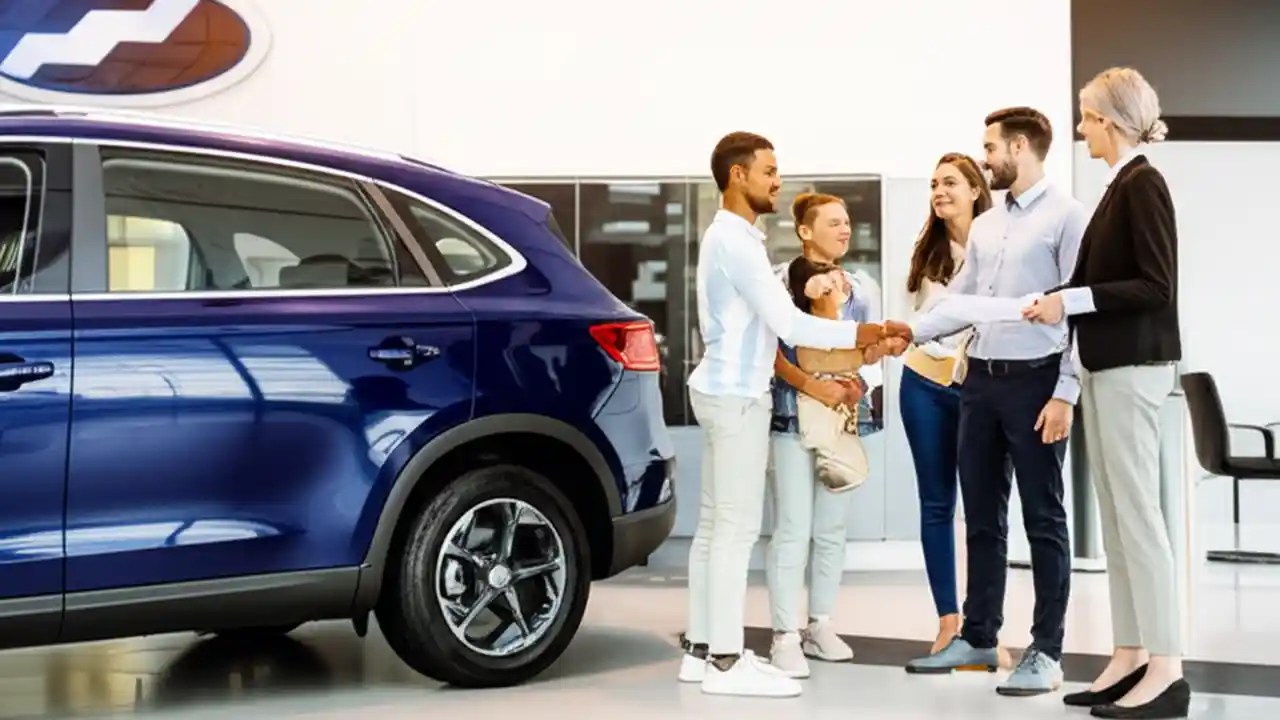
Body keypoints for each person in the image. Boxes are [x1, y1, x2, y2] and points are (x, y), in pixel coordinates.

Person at [892, 106, 1090, 697]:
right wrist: (911, 332)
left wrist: (1066, 392)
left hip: (1036, 381)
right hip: (978, 380)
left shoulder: (1068, 216)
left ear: (1021, 147)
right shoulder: (986, 224)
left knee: (1044, 518)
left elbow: (1077, 309)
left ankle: (1047, 651)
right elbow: (961, 297)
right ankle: (979, 637)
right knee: (980, 515)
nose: (985, 158)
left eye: (991, 147)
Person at [681, 131, 883, 698]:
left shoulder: (734, 237)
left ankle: (700, 653)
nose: (778, 180)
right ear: (738, 175)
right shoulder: (736, 242)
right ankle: (725, 661)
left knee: (715, 527)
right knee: (736, 529)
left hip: (723, 390)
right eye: (769, 170)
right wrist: (861, 332)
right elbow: (789, 325)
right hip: (739, 396)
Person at [1024, 67, 1190, 719]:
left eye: (1088, 118)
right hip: (1109, 367)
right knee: (1121, 523)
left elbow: (1156, 285)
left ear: (1113, 121)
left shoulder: (1143, 185)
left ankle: (1167, 667)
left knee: (1139, 520)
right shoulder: (1122, 184)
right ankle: (1130, 653)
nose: (1081, 129)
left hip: (1133, 368)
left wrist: (1070, 299)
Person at [900, 152, 1013, 663]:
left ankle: (983, 628)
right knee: (937, 504)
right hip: (924, 385)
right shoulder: (927, 255)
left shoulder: (1002, 249)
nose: (939, 191)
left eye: (950, 182)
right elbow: (916, 326)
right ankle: (948, 621)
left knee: (983, 511)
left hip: (976, 390)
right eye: (933, 184)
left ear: (974, 189)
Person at [765, 193, 883, 678]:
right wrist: (813, 384)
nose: (844, 229)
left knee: (832, 528)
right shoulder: (776, 284)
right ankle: (783, 636)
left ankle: (820, 624)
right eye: (833, 222)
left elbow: (872, 346)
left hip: (843, 418)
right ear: (804, 231)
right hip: (793, 415)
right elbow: (771, 352)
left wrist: (857, 385)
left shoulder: (861, 287)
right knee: (793, 527)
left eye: (847, 222)